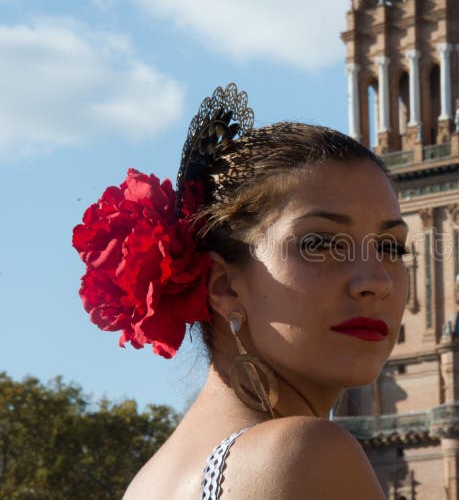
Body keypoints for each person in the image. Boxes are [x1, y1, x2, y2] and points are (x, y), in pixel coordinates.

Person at [73, 84, 409, 499]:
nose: (377, 281)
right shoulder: (307, 454)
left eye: (391, 247)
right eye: (320, 244)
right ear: (224, 285)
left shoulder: (146, 483)